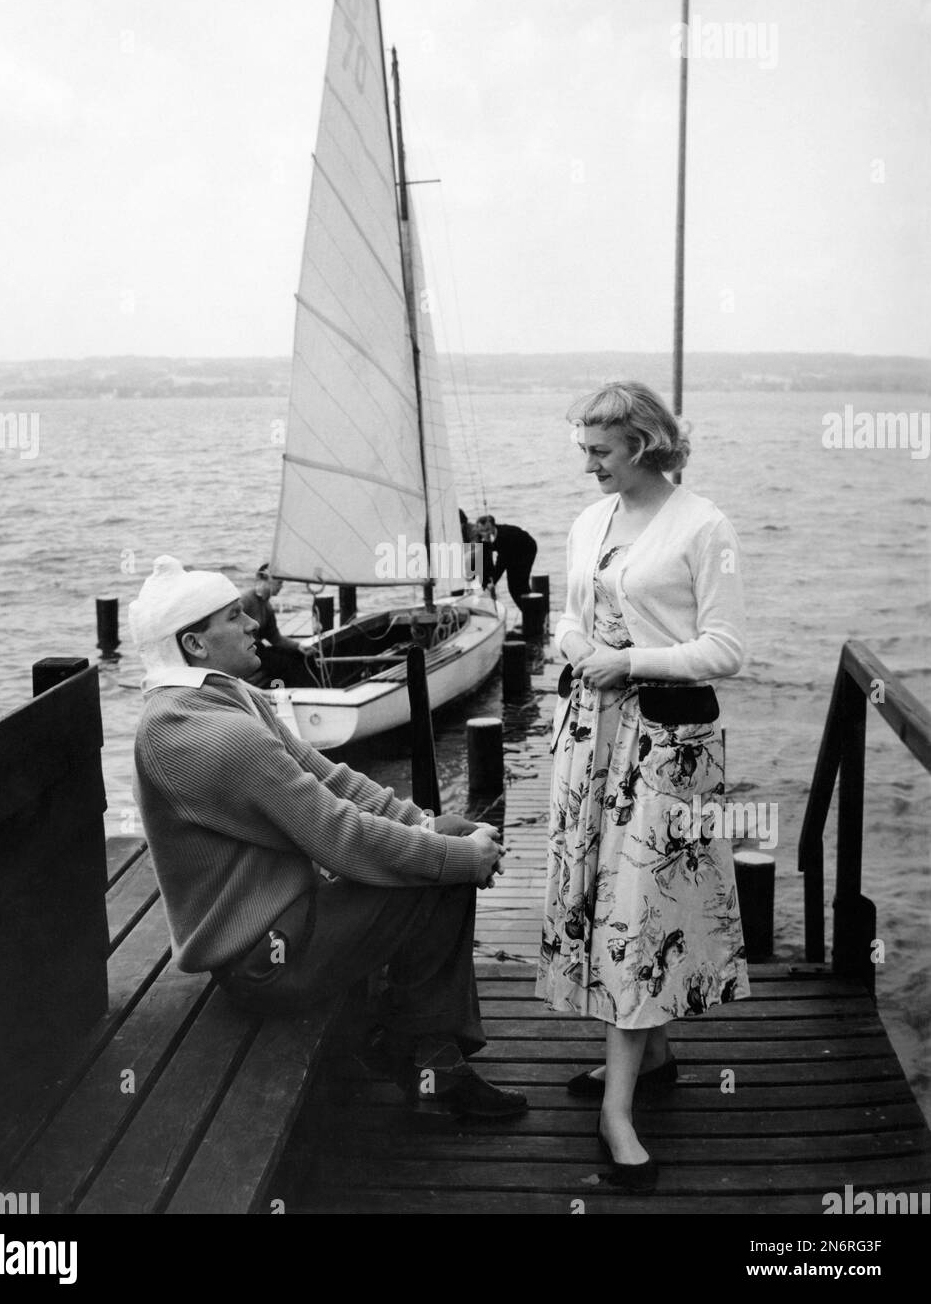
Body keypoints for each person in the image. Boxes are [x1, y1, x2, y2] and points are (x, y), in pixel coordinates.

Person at [129, 555, 528, 1120]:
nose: (253, 624)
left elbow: (330, 778)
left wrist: (424, 823)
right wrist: (456, 857)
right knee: (442, 875)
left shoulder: (223, 698)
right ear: (194, 644)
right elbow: (337, 835)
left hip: (291, 917)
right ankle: (430, 1062)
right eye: (235, 616)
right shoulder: (206, 733)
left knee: (443, 847)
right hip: (265, 958)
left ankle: (420, 1049)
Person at [536, 382, 749, 1192]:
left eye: (600, 451)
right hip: (590, 735)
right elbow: (565, 617)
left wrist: (627, 661)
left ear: (645, 445)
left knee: (639, 914)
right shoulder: (589, 522)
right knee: (599, 898)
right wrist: (578, 645)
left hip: (664, 743)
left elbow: (725, 647)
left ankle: (615, 1112)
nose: (586, 464)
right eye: (582, 449)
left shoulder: (703, 527)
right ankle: (651, 1055)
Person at [240, 563, 314, 688]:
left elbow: (275, 638)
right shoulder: (245, 601)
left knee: (298, 656)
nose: (281, 586)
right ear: (267, 580)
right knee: (286, 663)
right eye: (279, 582)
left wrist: (299, 646)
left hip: (259, 650)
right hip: (247, 652)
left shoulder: (267, 606)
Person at [472, 516, 538, 611]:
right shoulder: (481, 537)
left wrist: (492, 582)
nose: (485, 533)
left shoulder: (504, 536)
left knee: (517, 586)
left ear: (493, 526)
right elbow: (482, 555)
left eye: (487, 530)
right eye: (482, 531)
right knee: (514, 587)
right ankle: (528, 614)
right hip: (512, 552)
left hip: (526, 549)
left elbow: (501, 563)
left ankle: (531, 616)